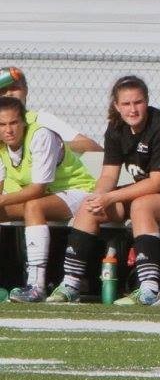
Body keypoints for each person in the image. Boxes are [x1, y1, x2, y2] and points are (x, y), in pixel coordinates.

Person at [46, 76, 160, 306]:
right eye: (126, 104)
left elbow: (157, 183)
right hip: (142, 192)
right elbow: (109, 174)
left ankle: (150, 289)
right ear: (117, 106)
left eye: (138, 102)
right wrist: (99, 197)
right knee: (90, 207)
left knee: (142, 205)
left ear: (146, 102)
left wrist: (111, 196)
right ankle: (70, 285)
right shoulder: (116, 127)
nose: (133, 109)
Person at [0, 96, 95, 301]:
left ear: (23, 122)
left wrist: (2, 200)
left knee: (34, 206)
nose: (8, 130)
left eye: (14, 123)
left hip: (77, 190)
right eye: (2, 124)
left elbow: (38, 190)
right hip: (45, 197)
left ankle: (36, 286)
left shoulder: (40, 135)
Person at [0, 68, 103, 155]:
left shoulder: (41, 119)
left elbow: (91, 146)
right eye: (2, 90)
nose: (8, 93)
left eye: (14, 88)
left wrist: (51, 145)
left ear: (26, 90)